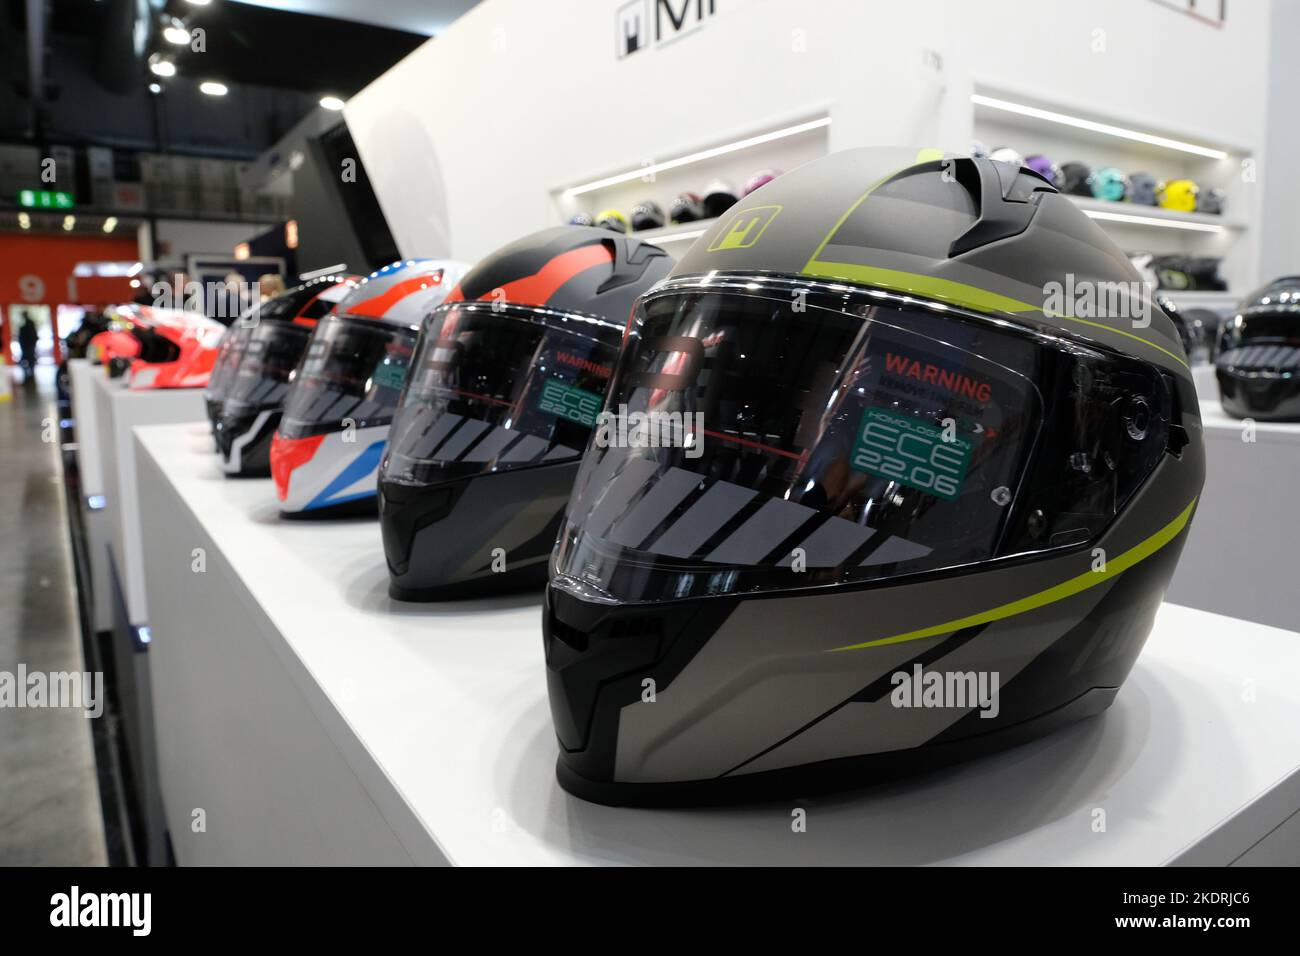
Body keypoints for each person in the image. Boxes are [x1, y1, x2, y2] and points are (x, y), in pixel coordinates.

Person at [17, 314, 39, 382]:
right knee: (29, 360)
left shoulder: (26, 326)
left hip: (28, 347)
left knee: (28, 360)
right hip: (28, 347)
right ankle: (29, 373)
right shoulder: (28, 325)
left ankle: (29, 374)